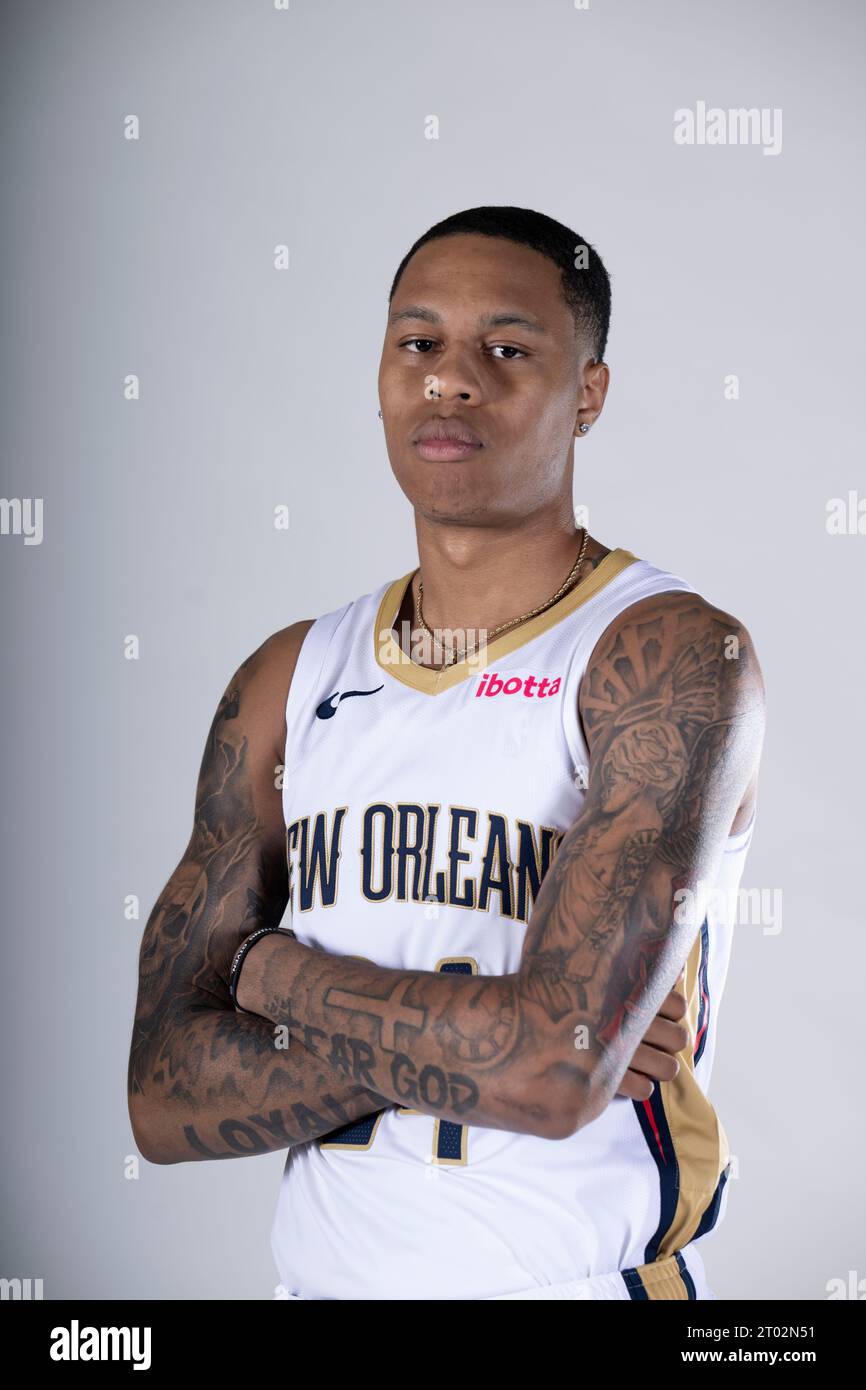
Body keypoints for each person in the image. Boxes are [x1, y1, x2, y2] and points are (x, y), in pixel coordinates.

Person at [128, 205, 765, 1301]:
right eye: (417, 344)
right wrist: (498, 1044)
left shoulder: (664, 653)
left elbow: (554, 1072)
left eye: (505, 349)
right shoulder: (288, 677)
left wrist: (261, 971)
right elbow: (159, 1100)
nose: (450, 381)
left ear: (588, 393)